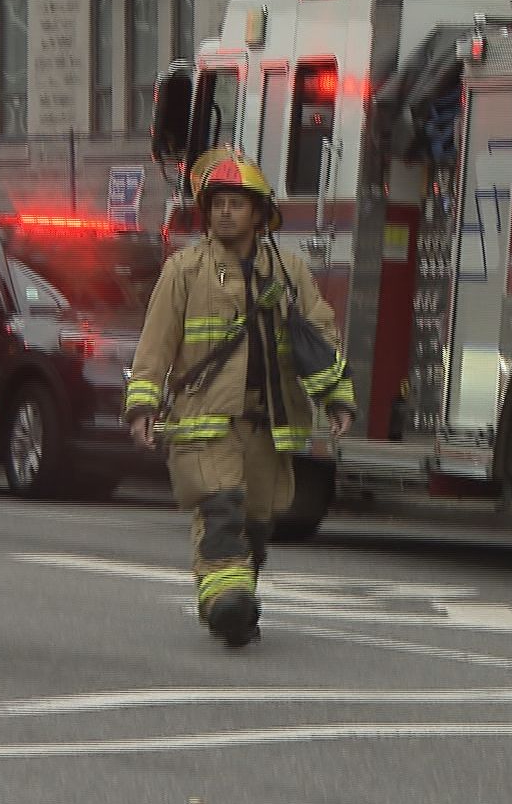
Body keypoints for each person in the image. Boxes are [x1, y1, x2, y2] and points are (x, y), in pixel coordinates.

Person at [123, 147, 356, 648]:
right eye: (218, 203)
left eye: (237, 202)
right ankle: (224, 603)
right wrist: (142, 404)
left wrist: (337, 396)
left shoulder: (290, 271)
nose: (226, 211)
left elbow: (319, 335)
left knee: (256, 524)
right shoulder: (185, 270)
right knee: (222, 510)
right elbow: (156, 342)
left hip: (268, 422)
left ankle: (236, 598)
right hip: (205, 422)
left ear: (258, 212)